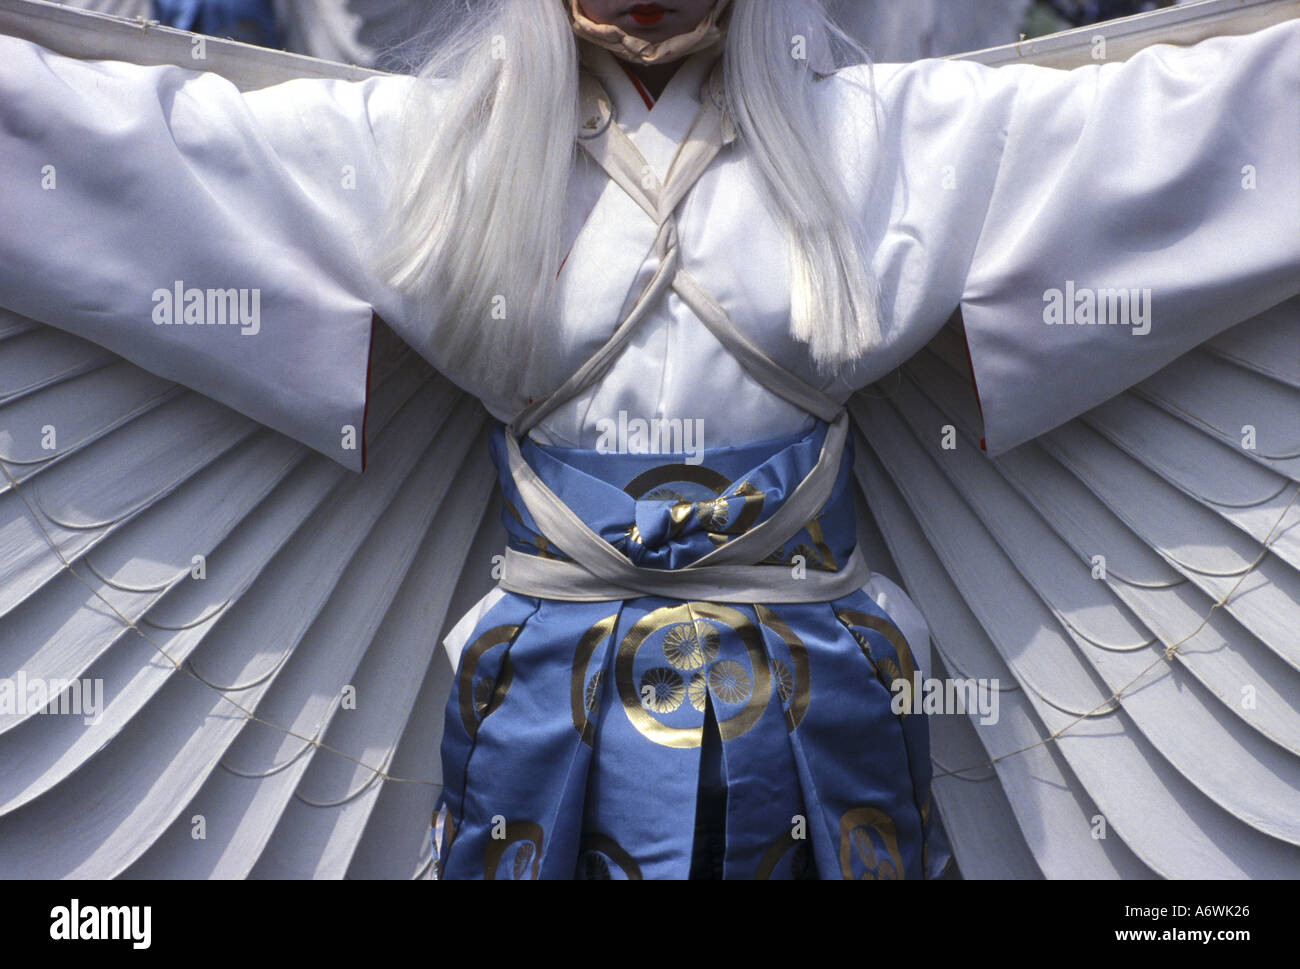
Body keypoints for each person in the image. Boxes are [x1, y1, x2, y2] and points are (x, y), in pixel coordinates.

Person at [0, 0, 1296, 879]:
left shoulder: (886, 144)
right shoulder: (432, 164)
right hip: (545, 709)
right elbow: (132, 156)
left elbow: (1195, 128)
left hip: (814, 709)